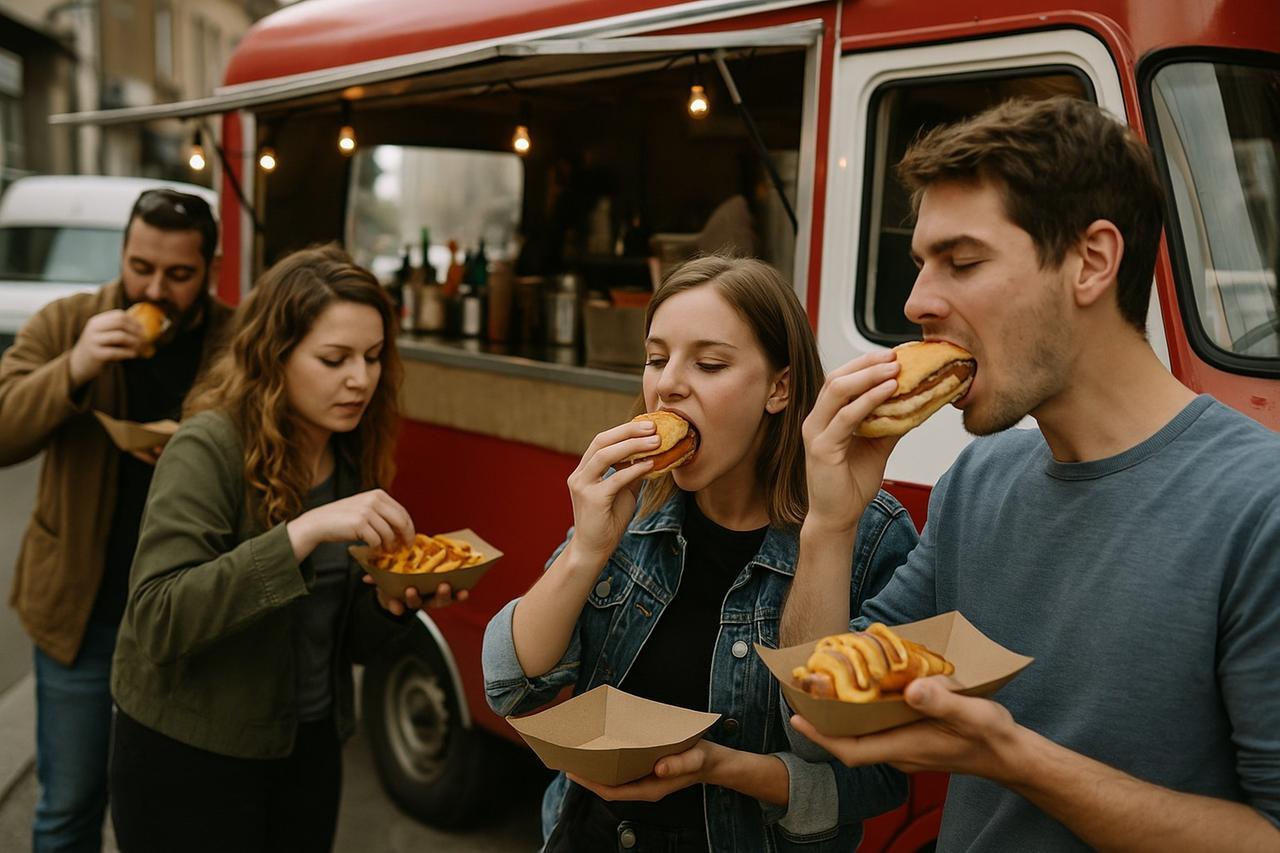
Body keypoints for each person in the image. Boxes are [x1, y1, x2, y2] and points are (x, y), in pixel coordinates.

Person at [780, 96, 1280, 850]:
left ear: (1092, 261)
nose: (917, 301)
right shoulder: (977, 481)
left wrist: (1013, 759)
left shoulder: (1258, 505)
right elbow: (820, 722)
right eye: (921, 264)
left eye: (962, 261)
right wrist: (830, 522)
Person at [482, 255, 916, 853]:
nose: (667, 384)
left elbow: (867, 772)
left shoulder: (867, 533)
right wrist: (587, 547)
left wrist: (718, 766)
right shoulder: (633, 506)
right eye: (657, 358)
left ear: (779, 387)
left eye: (709, 363)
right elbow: (510, 685)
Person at [106, 245, 460, 852]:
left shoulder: (350, 453)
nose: (361, 379)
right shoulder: (209, 446)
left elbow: (339, 641)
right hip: (192, 761)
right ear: (274, 356)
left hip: (308, 747)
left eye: (374, 357)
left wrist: (392, 607)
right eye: (334, 358)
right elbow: (158, 618)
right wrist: (302, 532)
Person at [0, 187, 230, 852]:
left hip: (189, 626)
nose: (153, 288)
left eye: (178, 274)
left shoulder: (234, 339)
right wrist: (74, 367)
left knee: (168, 815)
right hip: (83, 613)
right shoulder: (68, 321)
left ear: (210, 270)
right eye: (139, 266)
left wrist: (199, 453)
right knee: (69, 805)